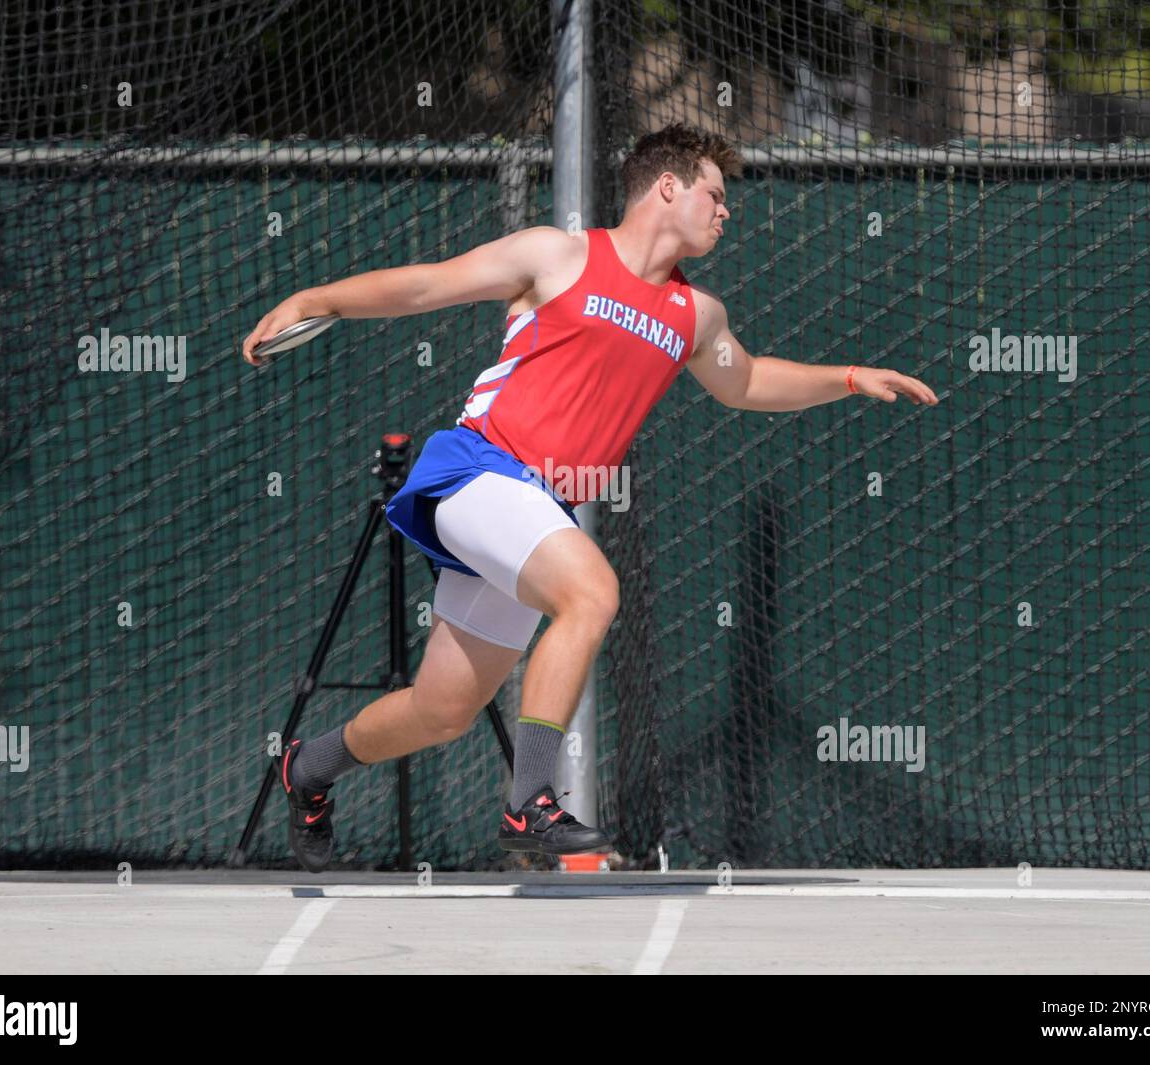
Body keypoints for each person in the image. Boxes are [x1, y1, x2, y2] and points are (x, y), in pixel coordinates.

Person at [241, 123, 938, 873]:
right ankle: (530, 800)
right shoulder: (558, 255)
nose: (725, 211)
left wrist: (848, 377)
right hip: (479, 471)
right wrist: (320, 299)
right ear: (668, 186)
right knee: (593, 591)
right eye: (715, 193)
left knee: (442, 711)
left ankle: (307, 769)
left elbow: (748, 380)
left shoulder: (695, 316)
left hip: (539, 511)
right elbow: (426, 284)